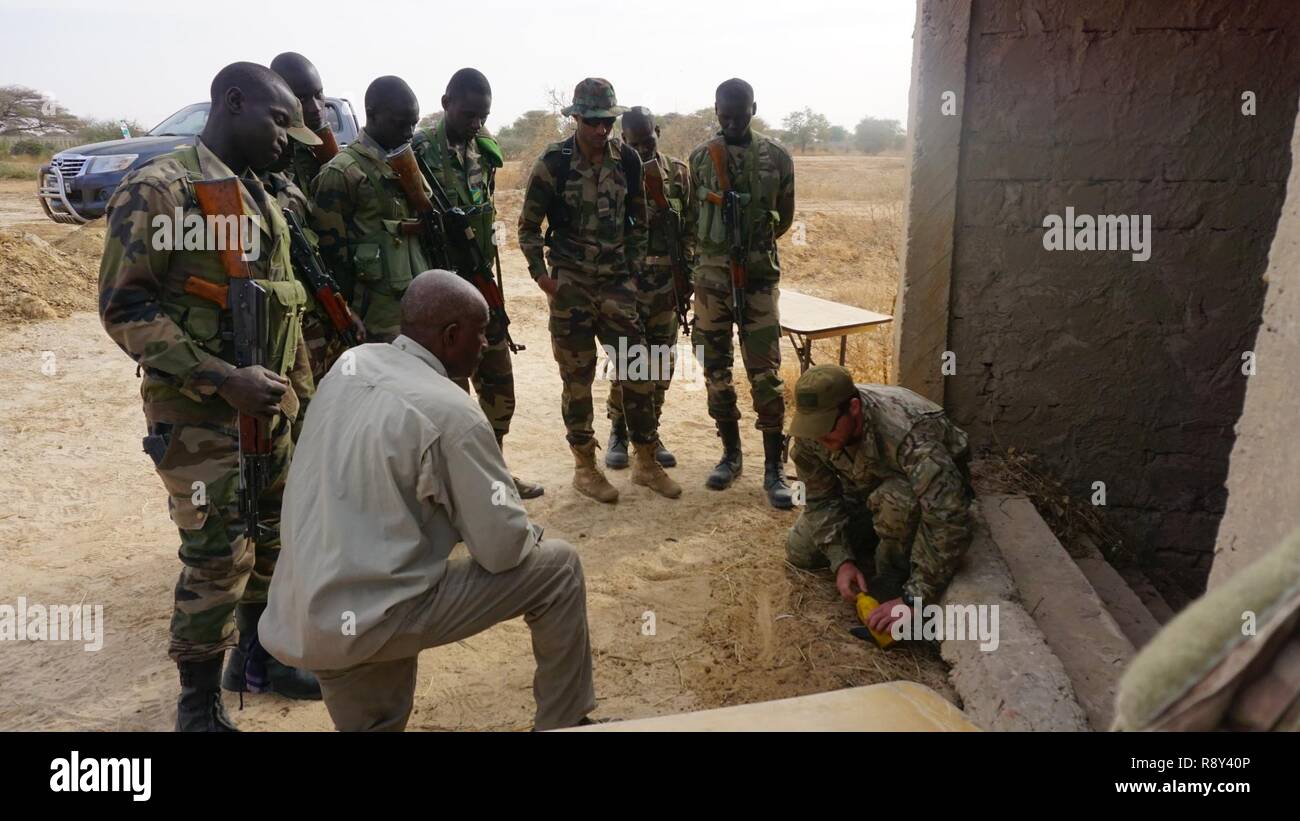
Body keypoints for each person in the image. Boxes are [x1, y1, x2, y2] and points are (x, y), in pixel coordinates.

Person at [260, 270, 597, 731]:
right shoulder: (453, 412)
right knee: (557, 569)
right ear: (451, 335)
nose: (485, 344)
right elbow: (503, 551)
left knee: (377, 719)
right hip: (376, 613)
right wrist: (520, 530)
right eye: (480, 333)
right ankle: (565, 723)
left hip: (307, 614)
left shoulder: (350, 366)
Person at [99, 62, 324, 731]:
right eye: (278, 121)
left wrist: (299, 403)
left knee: (272, 538)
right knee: (218, 553)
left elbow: (288, 308)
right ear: (232, 103)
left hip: (270, 410)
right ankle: (198, 707)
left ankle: (256, 660)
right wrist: (222, 377)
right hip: (198, 417)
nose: (287, 139)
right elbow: (124, 307)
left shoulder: (263, 195)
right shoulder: (160, 189)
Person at [518, 77, 680, 502]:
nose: (599, 129)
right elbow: (528, 228)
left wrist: (631, 269)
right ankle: (585, 470)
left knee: (637, 369)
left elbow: (639, 220)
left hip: (616, 285)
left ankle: (645, 462)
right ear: (575, 118)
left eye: (606, 121)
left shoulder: (626, 159)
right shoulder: (552, 163)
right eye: (591, 121)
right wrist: (544, 277)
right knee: (578, 379)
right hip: (570, 288)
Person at [412, 68, 541, 500]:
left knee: (499, 388)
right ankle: (456, 490)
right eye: (468, 113)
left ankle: (494, 474)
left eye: (482, 115)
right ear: (445, 101)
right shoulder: (417, 152)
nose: (475, 122)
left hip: (481, 287)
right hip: (440, 293)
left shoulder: (484, 149)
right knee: (449, 399)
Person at [785, 365, 976, 636]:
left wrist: (915, 599)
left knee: (895, 502)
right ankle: (876, 542)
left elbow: (949, 514)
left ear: (853, 408)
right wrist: (842, 561)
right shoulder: (815, 431)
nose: (819, 437)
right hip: (863, 492)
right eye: (813, 427)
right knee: (800, 550)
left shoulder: (909, 431)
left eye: (826, 428)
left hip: (920, 499)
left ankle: (893, 578)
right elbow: (820, 499)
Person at [688, 78, 795, 509]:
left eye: (740, 113)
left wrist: (751, 249)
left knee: (765, 375)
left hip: (757, 281)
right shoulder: (699, 160)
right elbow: (691, 222)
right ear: (715, 109)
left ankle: (774, 468)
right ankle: (730, 454)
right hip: (711, 282)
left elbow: (783, 218)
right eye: (724, 114)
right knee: (714, 368)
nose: (732, 122)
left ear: (755, 108)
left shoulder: (777, 157)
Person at [604, 106, 693, 471]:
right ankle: (618, 432)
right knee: (628, 360)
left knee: (661, 362)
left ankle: (650, 432)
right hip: (629, 285)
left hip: (667, 284)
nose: (642, 149)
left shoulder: (679, 174)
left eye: (648, 140)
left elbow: (690, 228)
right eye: (634, 143)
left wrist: (685, 274)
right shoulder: (614, 171)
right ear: (623, 140)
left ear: (657, 131)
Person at [310, 75, 427, 342]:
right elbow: (329, 257)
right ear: (372, 114)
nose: (409, 133)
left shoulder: (407, 163)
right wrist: (346, 313)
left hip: (415, 310)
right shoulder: (343, 173)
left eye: (414, 124)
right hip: (374, 321)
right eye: (401, 124)